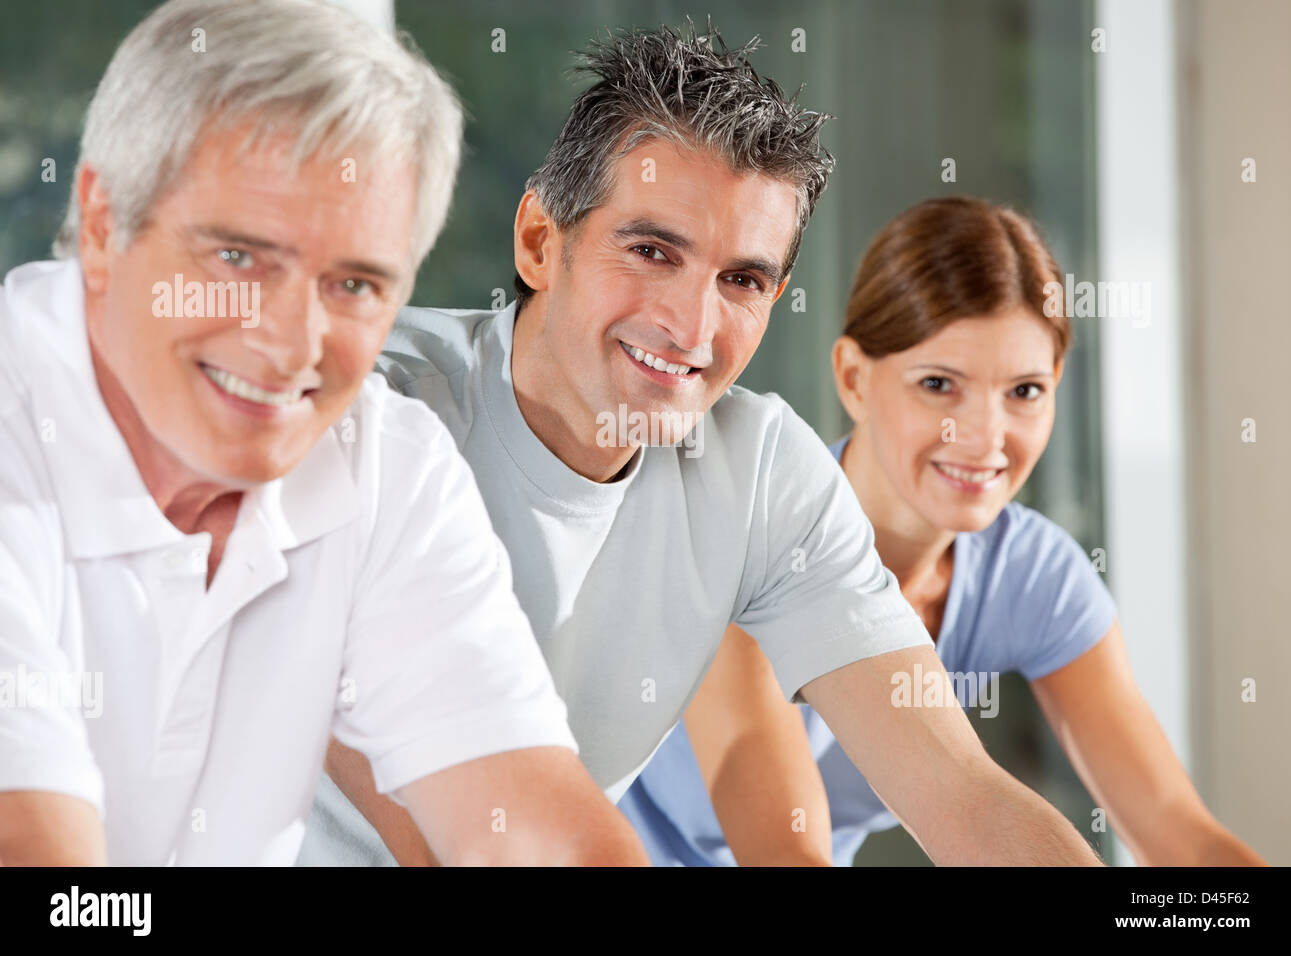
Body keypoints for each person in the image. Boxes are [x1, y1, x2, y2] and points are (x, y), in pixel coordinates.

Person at [301, 26, 1102, 867]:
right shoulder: (365, 406)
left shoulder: (760, 477)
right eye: (652, 252)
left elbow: (963, 794)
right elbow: (449, 832)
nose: (692, 327)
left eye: (742, 280)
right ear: (540, 241)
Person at [0, 0, 647, 866]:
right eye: (237, 258)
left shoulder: (385, 465)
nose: (291, 344)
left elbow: (539, 836)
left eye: (354, 285)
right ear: (101, 224)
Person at [618, 196, 1269, 866]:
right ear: (853, 378)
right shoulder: (758, 538)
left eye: (1024, 391)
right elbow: (785, 854)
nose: (985, 436)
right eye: (938, 384)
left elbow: (1177, 833)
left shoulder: (1034, 576)